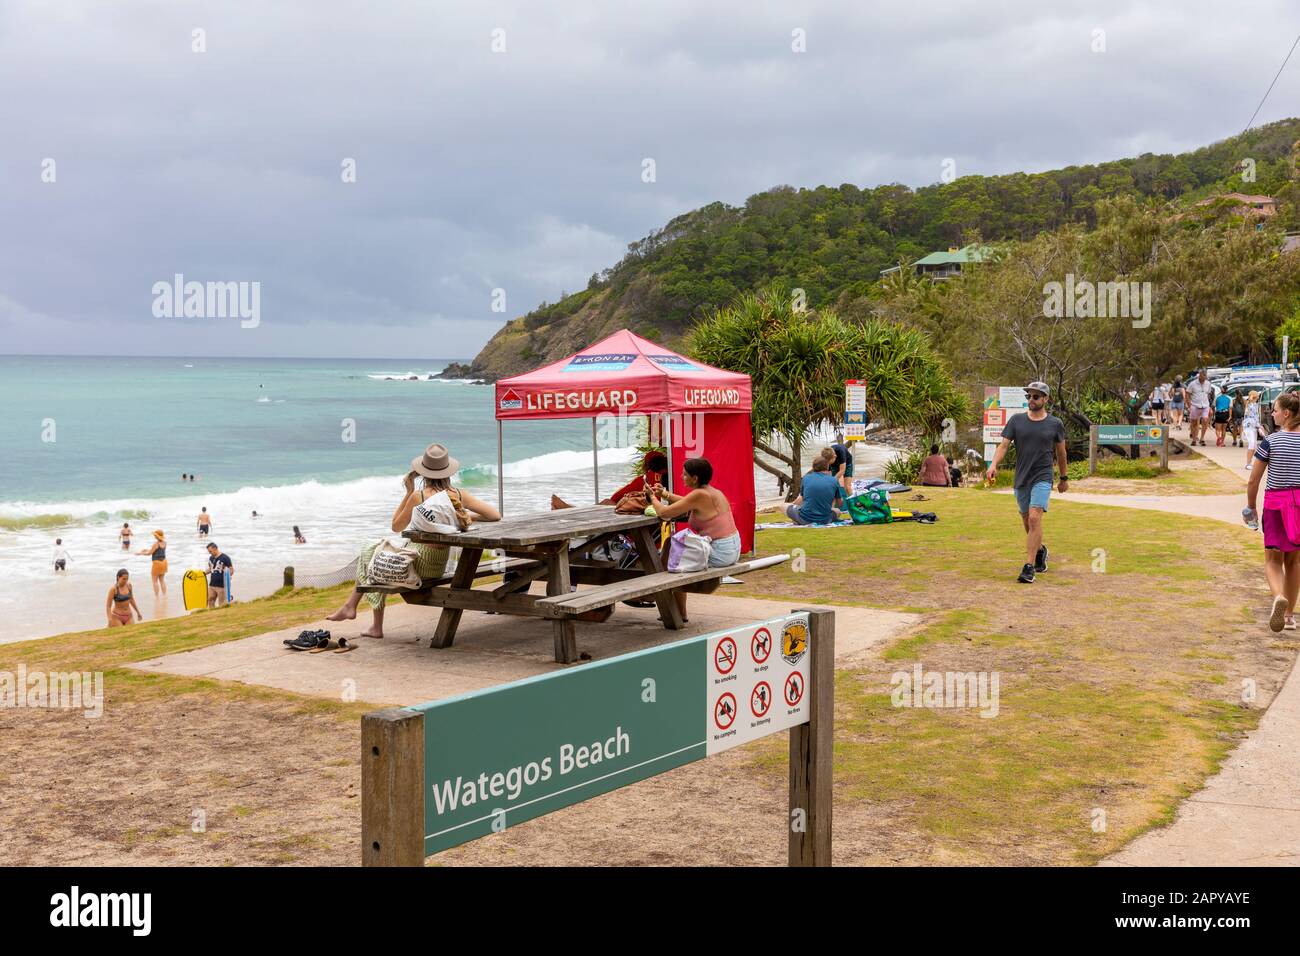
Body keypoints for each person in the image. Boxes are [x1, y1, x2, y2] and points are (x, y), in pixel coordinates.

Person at [327, 443, 500, 639]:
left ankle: (368, 620)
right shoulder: (458, 495)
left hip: (417, 565)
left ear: (423, 473)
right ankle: (352, 607)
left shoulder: (419, 496)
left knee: (369, 550)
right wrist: (465, 516)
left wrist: (408, 492)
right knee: (375, 552)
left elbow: (396, 526)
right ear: (447, 472)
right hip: (438, 565)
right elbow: (495, 515)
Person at [986, 380, 1068, 584]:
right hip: (1021, 477)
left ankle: (1029, 567)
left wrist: (1063, 478)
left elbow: (1061, 452)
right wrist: (993, 464)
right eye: (1029, 396)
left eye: (1036, 396)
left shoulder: (1055, 424)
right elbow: (1004, 445)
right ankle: (1040, 551)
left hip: (1043, 476)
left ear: (1046, 399)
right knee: (1026, 520)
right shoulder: (1016, 420)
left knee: (1034, 519)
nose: (1031, 399)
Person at [646, 457, 741, 623]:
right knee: (671, 545)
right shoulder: (712, 491)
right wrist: (665, 494)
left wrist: (652, 498)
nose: (682, 477)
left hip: (721, 552)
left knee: (674, 556)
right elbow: (685, 503)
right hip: (731, 548)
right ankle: (667, 596)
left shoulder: (699, 494)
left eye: (684, 475)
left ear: (695, 478)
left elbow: (664, 513)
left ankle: (662, 595)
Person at [1245, 391, 1300, 631]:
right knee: (1295, 561)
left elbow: (1253, 480)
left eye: (1275, 410)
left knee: (1272, 558)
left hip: (1276, 503)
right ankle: (1289, 617)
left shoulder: (1271, 441)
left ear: (1286, 414)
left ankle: (1278, 596)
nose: (1272, 413)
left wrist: (1251, 507)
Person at [785, 457, 843, 525]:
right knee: (838, 511)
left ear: (813, 467)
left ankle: (796, 519)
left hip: (805, 518)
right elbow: (840, 502)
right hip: (825, 519)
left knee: (782, 506)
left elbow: (803, 499)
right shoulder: (834, 480)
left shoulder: (806, 478)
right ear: (827, 467)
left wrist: (793, 504)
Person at [1186, 370, 1213, 447]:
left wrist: (1209, 405)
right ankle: (1194, 439)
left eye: (1205, 376)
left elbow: (1207, 394)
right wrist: (1189, 405)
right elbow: (1187, 393)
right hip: (1195, 405)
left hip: (1205, 405)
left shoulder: (1208, 384)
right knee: (1194, 423)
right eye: (1202, 376)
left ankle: (1202, 439)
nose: (1204, 377)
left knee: (1205, 420)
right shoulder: (1193, 384)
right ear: (1199, 376)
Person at [138, 529, 169, 596]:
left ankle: (157, 597)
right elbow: (156, 551)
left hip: (157, 563)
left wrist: (140, 553)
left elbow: (149, 553)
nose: (154, 536)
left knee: (155, 581)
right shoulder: (165, 543)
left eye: (155, 535)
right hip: (164, 562)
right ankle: (165, 595)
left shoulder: (156, 544)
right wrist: (146, 550)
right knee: (162, 581)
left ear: (157, 536)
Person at [205, 542, 233, 608]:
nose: (209, 553)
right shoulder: (211, 558)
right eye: (209, 551)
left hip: (222, 586)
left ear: (215, 549)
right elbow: (211, 569)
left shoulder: (225, 558)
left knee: (222, 604)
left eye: (210, 551)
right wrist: (202, 574)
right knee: (210, 600)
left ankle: (222, 616)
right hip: (212, 585)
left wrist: (229, 575)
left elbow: (231, 569)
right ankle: (212, 615)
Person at [1243, 390, 1263, 468]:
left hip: (1253, 427)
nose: (1258, 398)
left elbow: (1256, 417)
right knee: (1251, 444)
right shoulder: (1250, 405)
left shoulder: (1255, 405)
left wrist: (1259, 426)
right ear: (1255, 397)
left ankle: (1250, 462)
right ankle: (1248, 463)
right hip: (1249, 427)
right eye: (1257, 396)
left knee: (1254, 445)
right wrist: (1259, 426)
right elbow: (1252, 417)